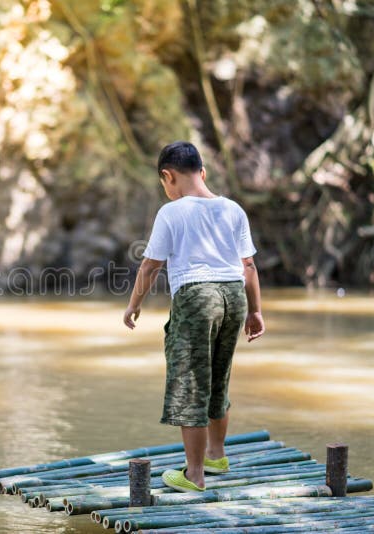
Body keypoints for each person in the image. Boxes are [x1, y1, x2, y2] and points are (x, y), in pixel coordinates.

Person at [123, 141, 265, 492]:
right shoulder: (233, 209)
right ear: (202, 172)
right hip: (234, 296)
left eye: (164, 183)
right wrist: (256, 311)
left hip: (197, 297)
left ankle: (195, 474)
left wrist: (134, 304)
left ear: (167, 177)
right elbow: (248, 266)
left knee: (191, 383)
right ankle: (216, 455)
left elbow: (150, 265)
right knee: (218, 375)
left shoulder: (171, 213)